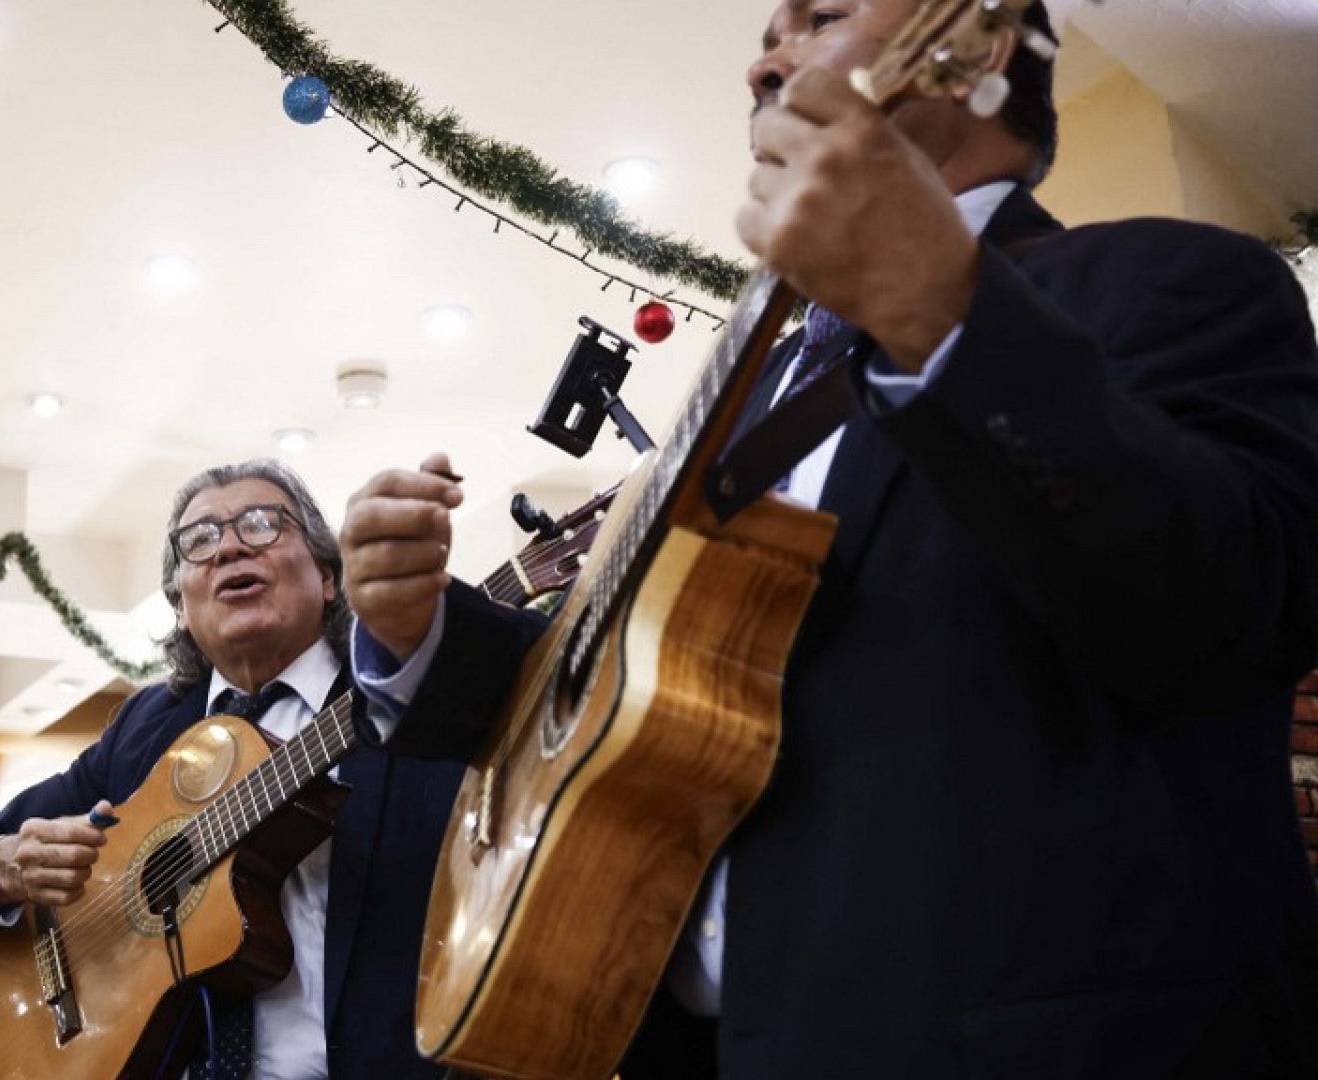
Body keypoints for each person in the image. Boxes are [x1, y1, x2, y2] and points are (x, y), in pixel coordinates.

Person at [338, 1, 1318, 1076]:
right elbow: (630, 693)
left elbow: (1232, 610)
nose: (766, 60)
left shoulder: (1170, 281)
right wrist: (418, 633)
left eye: (822, 15)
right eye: (764, 36)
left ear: (975, 44)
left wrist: (945, 308)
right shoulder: (738, 403)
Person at [0, 459, 463, 1079]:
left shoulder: (400, 692)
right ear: (179, 606)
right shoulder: (145, 729)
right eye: (198, 541)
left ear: (329, 576)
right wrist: (5, 865)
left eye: (262, 525)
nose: (227, 546)